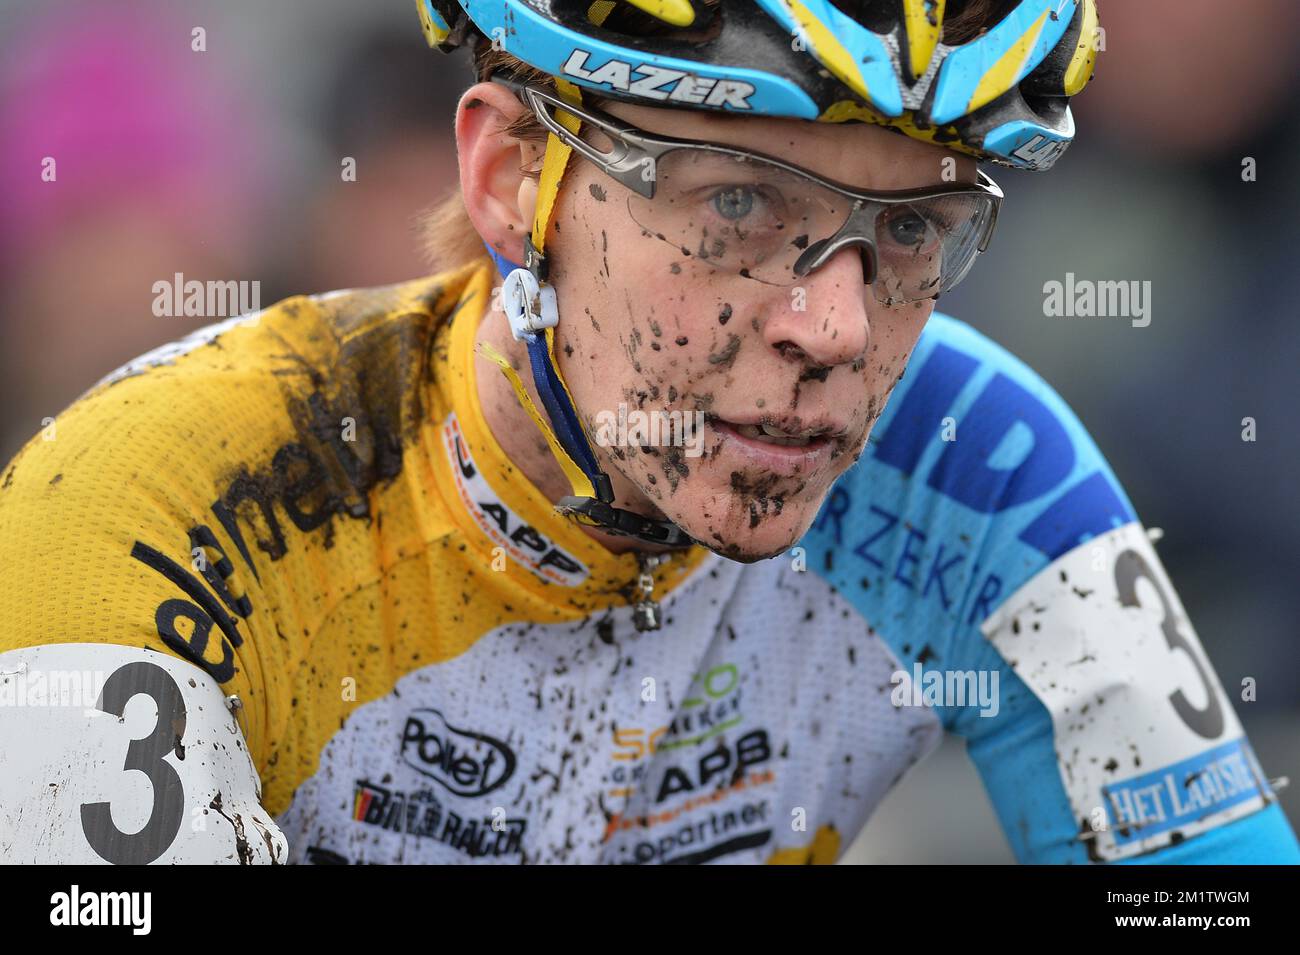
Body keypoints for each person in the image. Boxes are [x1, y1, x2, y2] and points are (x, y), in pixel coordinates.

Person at [0, 0, 1294, 865]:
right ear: (511, 180)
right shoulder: (147, 509)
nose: (835, 329)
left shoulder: (979, 468)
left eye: (911, 232)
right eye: (736, 203)